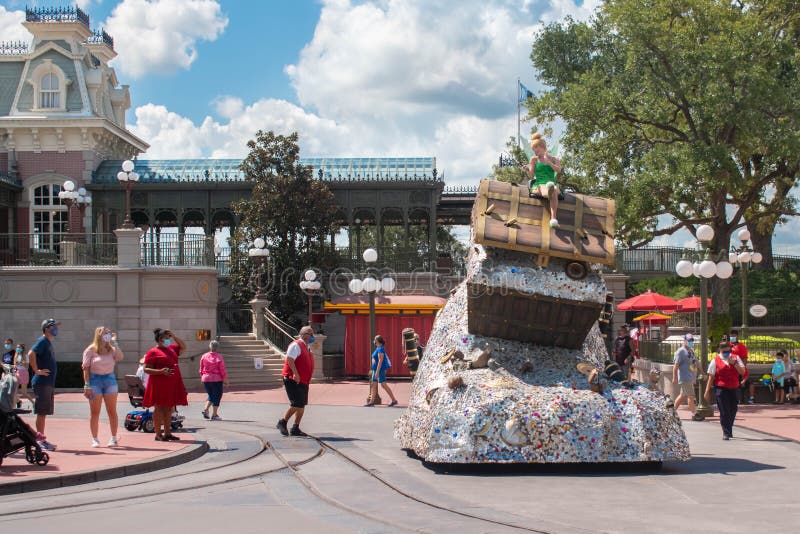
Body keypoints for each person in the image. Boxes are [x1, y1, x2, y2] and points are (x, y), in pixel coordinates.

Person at [82, 326, 124, 447]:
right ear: (99, 335)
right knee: (95, 412)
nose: (107, 335)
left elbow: (120, 357)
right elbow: (86, 369)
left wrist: (115, 342)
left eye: (109, 334)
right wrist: (87, 385)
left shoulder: (112, 349)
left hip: (109, 380)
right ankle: (95, 438)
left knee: (112, 411)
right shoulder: (90, 350)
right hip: (95, 381)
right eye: (105, 333)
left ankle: (114, 438)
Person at [142, 328, 187, 442]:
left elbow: (183, 347)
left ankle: (168, 433)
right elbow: (146, 369)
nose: (168, 340)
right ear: (160, 339)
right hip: (159, 384)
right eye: (166, 338)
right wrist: (161, 371)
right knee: (159, 408)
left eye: (169, 338)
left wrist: (174, 336)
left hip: (171, 383)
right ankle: (158, 434)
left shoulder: (171, 349)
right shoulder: (153, 352)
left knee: (168, 408)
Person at [276, 326, 315, 437]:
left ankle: (295, 427)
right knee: (297, 403)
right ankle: (282, 422)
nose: (312, 336)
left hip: (303, 380)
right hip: (293, 379)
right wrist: (296, 374)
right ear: (303, 334)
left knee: (302, 405)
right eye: (310, 333)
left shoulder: (307, 347)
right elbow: (289, 359)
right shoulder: (296, 345)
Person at [704, 341, 746, 440]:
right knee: (724, 410)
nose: (726, 353)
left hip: (734, 387)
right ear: (720, 350)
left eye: (728, 351)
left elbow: (742, 372)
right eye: (724, 351)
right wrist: (707, 391)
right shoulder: (716, 360)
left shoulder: (736, 358)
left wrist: (734, 364)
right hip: (721, 388)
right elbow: (711, 376)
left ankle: (729, 427)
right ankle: (726, 432)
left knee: (733, 409)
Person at [29, 318, 59, 451]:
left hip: (47, 383)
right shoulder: (42, 341)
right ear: (46, 328)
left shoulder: (47, 342)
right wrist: (37, 370)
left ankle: (42, 439)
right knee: (41, 412)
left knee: (44, 412)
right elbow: (31, 354)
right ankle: (40, 441)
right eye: (52, 326)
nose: (55, 329)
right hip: (42, 383)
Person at [521, 132, 562, 228]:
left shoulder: (554, 159)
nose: (534, 151)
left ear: (542, 146)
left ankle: (553, 219)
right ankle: (549, 192)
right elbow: (531, 175)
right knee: (550, 189)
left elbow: (559, 170)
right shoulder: (533, 160)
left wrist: (549, 163)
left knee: (554, 189)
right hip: (539, 184)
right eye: (533, 149)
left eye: (536, 148)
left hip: (552, 183)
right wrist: (527, 169)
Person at [672, 333, 703, 421]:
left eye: (692, 340)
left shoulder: (691, 351)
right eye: (689, 340)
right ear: (684, 340)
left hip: (691, 377)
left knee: (682, 395)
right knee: (691, 396)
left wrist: (703, 372)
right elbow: (676, 365)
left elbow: (697, 363)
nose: (690, 342)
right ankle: (694, 414)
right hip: (685, 377)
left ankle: (671, 412)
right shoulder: (680, 351)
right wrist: (674, 377)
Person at [199, 340, 229, 420]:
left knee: (211, 395)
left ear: (210, 346)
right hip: (216, 379)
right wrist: (225, 378)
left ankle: (205, 409)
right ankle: (214, 414)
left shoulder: (204, 356)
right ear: (217, 347)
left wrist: (202, 376)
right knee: (217, 396)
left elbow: (201, 368)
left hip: (206, 378)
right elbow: (222, 369)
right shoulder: (219, 357)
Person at [366, 335, 398, 407]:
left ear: (378, 341)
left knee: (383, 385)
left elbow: (380, 361)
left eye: (375, 339)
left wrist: (377, 372)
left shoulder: (380, 349)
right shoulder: (378, 348)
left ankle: (394, 400)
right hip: (375, 369)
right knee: (374, 385)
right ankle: (371, 402)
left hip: (380, 370)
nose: (374, 341)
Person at [728, 329, 754, 404]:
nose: (732, 337)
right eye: (731, 336)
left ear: (737, 336)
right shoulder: (727, 345)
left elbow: (744, 359)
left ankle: (750, 398)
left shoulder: (741, 346)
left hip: (739, 369)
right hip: (730, 369)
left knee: (747, 383)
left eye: (734, 336)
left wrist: (742, 369)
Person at [14, 344, 34, 408]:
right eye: (17, 347)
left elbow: (27, 366)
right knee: (14, 391)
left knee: (24, 393)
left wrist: (23, 363)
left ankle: (34, 403)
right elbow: (15, 365)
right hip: (17, 373)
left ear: (22, 349)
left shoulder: (25, 356)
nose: (18, 349)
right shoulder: (16, 355)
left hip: (24, 373)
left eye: (19, 347)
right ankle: (17, 402)